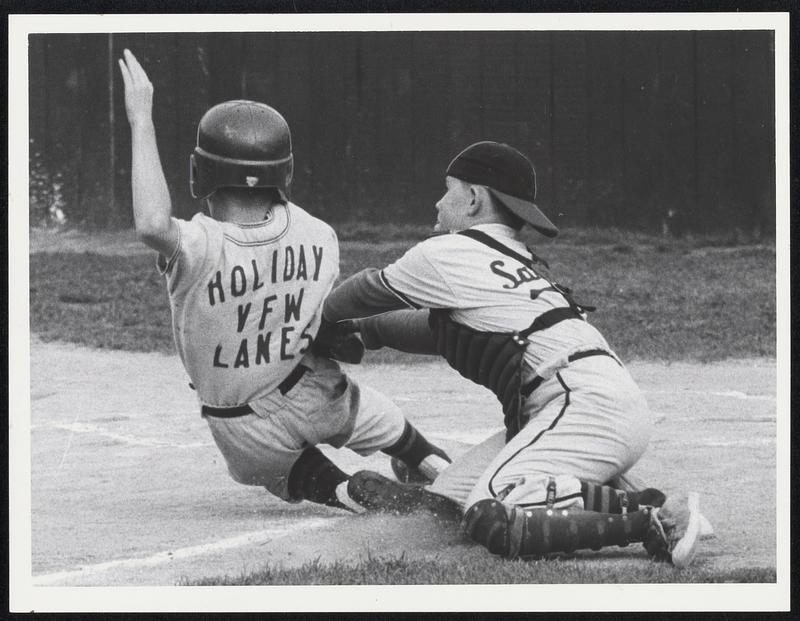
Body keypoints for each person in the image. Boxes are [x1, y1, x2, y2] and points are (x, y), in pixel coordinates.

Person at [320, 140, 711, 566]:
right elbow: (444, 333)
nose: (438, 200)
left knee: (491, 515)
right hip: (590, 399)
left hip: (581, 405)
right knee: (449, 509)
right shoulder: (514, 257)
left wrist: (321, 324)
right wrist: (367, 331)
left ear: (472, 198)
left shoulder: (449, 251)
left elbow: (360, 292)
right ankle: (612, 493)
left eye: (448, 189)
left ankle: (648, 516)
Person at [117, 49, 450, 515]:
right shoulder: (319, 234)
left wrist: (141, 118)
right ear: (284, 172)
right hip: (320, 390)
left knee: (270, 465)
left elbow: (152, 224)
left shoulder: (199, 245)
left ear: (201, 173)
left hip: (244, 425)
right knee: (376, 415)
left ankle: (343, 489)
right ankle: (430, 460)